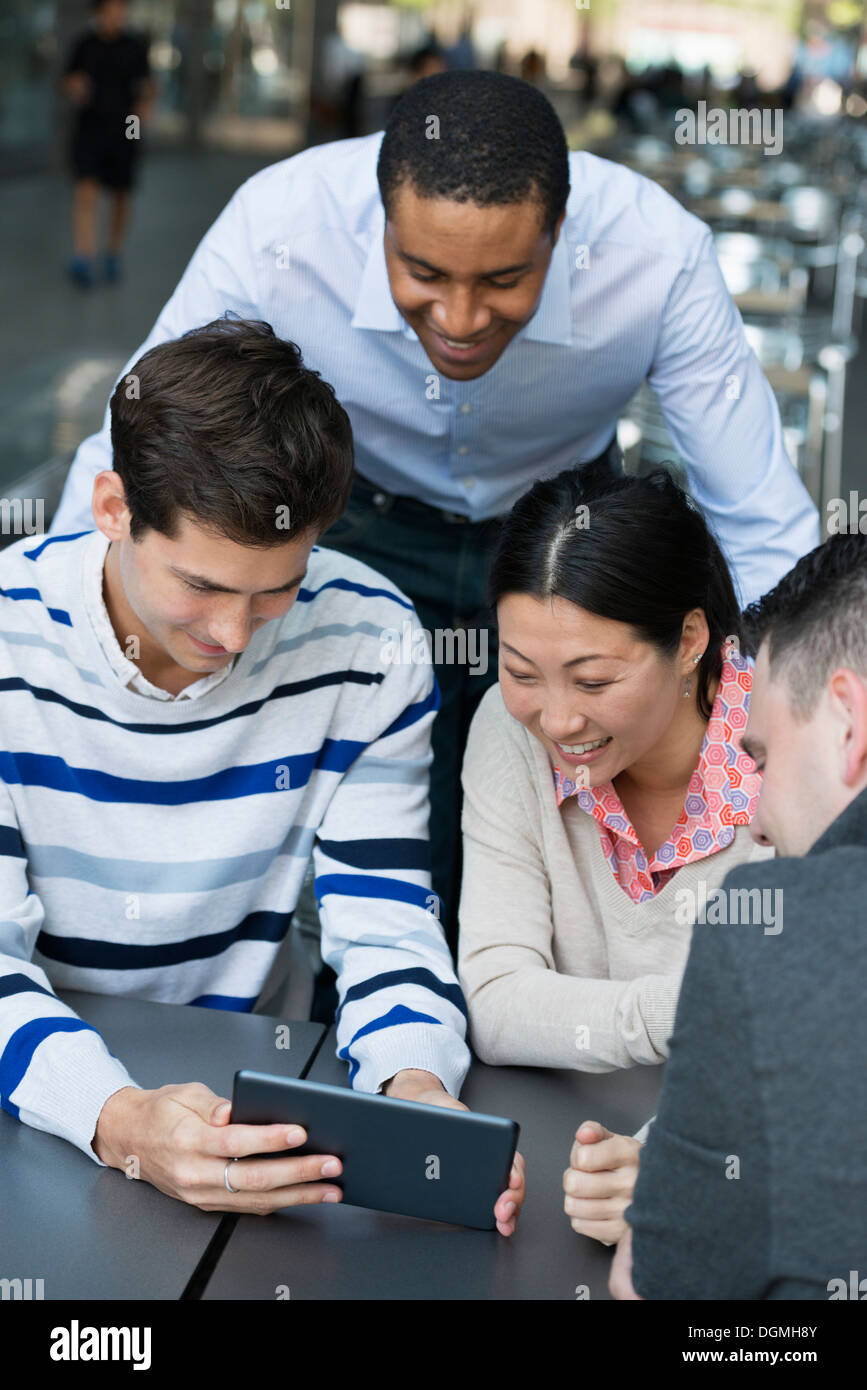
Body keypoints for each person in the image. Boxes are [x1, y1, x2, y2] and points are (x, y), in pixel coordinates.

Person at [50, 70, 819, 948]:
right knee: (389, 866)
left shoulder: (655, 253)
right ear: (379, 220)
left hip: (551, 549)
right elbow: (139, 436)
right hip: (360, 531)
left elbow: (759, 522)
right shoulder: (282, 224)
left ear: (558, 234)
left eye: (502, 280)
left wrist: (804, 736)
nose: (458, 318)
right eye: (422, 272)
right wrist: (58, 654)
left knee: (542, 851)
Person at [0, 318, 524, 1233]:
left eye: (275, 589)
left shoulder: (371, 639)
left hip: (254, 1099)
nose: (235, 638)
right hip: (33, 1102)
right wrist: (119, 1120)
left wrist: (414, 1085)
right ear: (113, 507)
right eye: (200, 586)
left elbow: (385, 923)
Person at [456, 467, 773, 1236]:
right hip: (554, 1157)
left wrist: (681, 1164)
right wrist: (688, 1010)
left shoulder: (791, 756)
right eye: (522, 672)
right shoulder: (508, 731)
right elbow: (496, 1000)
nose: (557, 720)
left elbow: (808, 1047)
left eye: (594, 679)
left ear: (689, 640)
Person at [610, 530, 867, 1298]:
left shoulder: (777, 935)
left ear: (849, 722)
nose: (753, 819)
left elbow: (657, 1297)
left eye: (760, 758)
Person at [61, 0, 154, 288]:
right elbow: (68, 81)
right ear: (99, 13)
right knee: (86, 191)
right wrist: (74, 87)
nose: (119, 15)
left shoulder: (135, 46)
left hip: (125, 130)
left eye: (122, 9)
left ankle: (112, 252)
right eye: (113, 9)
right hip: (90, 128)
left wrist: (136, 130)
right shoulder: (84, 44)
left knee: (121, 196)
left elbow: (147, 89)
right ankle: (83, 256)